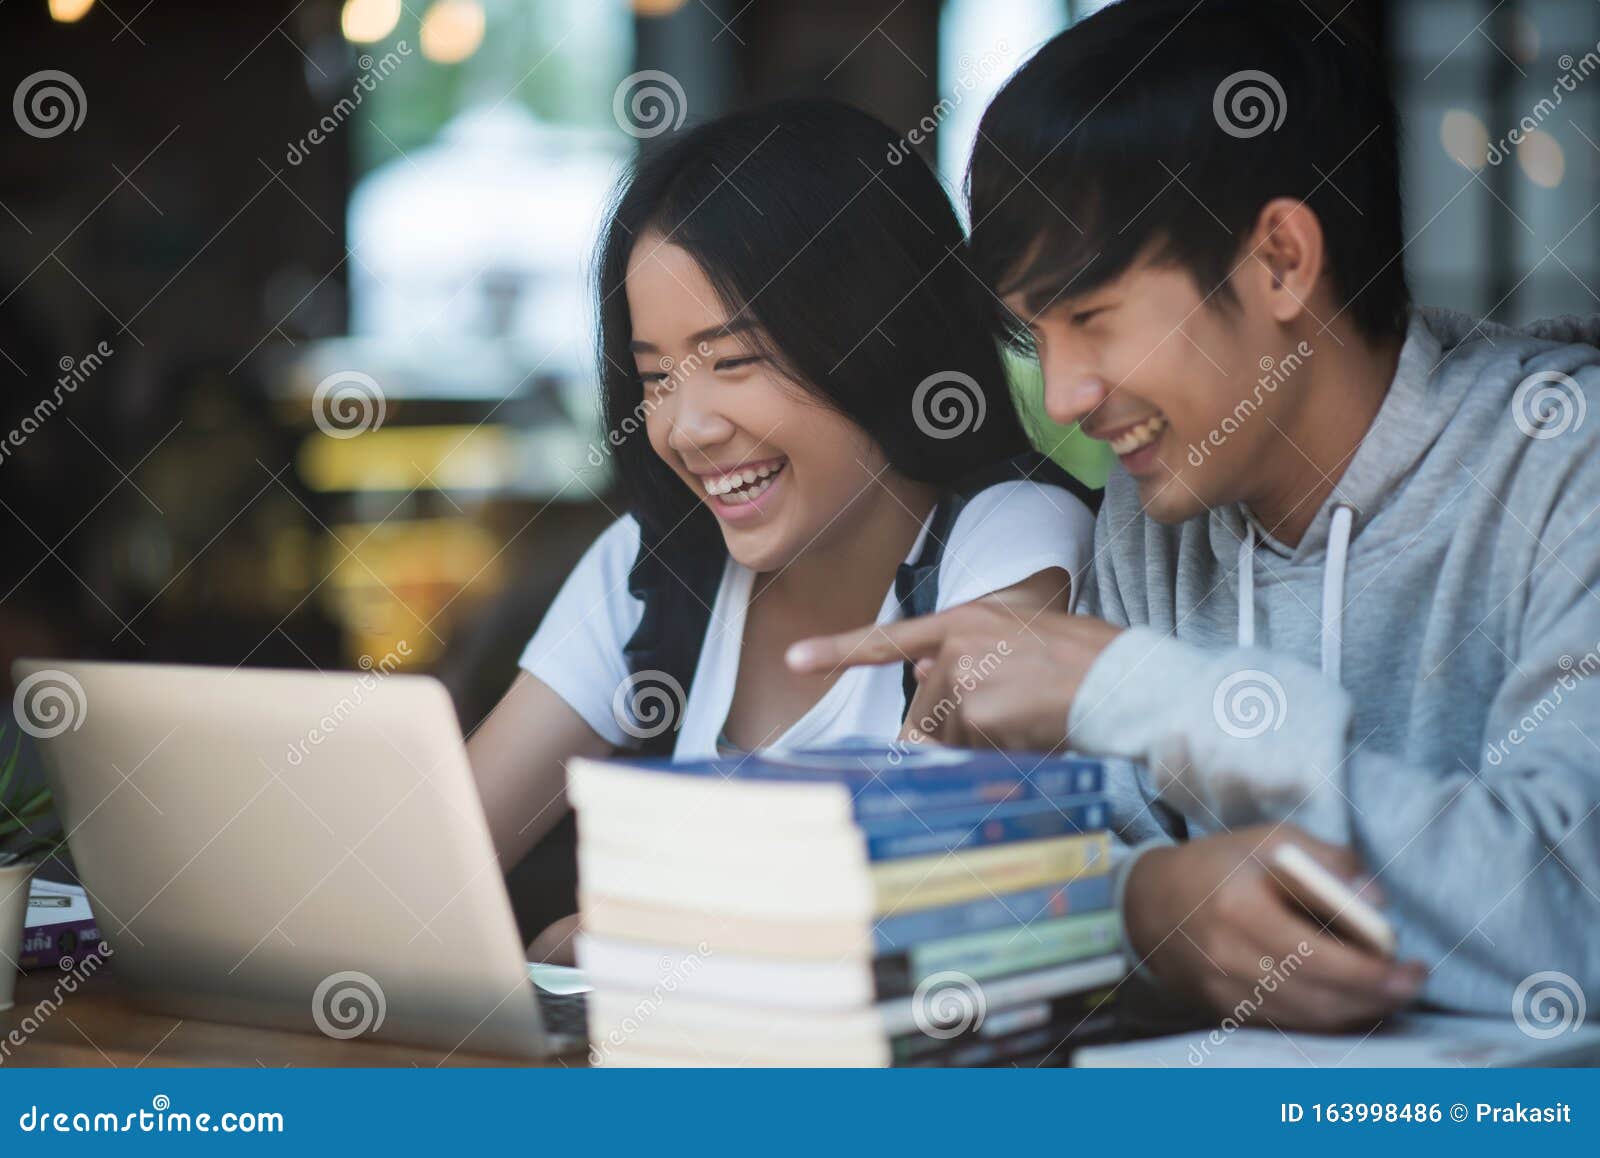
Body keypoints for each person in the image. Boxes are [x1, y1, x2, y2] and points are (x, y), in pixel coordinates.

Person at [788, 0, 1600, 1029]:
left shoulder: (1567, 464)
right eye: (1037, 338)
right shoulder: (1154, 511)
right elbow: (1092, 865)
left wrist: (1149, 692)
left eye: (1090, 317)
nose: (1069, 393)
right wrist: (1148, 906)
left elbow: (1575, 917)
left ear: (1278, 262)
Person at [468, 100, 1098, 959]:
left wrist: (628, 936)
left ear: (876, 338)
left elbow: (926, 880)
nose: (685, 427)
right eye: (654, 376)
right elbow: (432, 866)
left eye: (733, 362)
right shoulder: (652, 564)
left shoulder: (1009, 536)